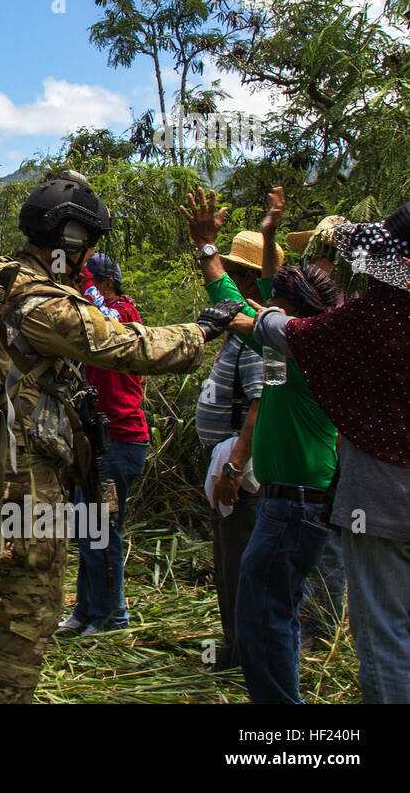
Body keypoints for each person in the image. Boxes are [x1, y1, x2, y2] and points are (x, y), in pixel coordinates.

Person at [0, 175, 237, 703]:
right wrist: (201, 330)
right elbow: (124, 345)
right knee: (30, 606)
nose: (89, 254)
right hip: (21, 476)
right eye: (87, 243)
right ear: (70, 240)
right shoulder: (43, 303)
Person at [232, 201, 410, 703]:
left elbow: (286, 333)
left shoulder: (377, 318)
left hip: (383, 497)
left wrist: (256, 317)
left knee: (383, 635)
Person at [182, 188, 339, 704]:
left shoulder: (299, 350)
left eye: (277, 305)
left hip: (291, 506)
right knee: (277, 614)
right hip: (300, 500)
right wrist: (269, 233)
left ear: (290, 313)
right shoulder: (315, 335)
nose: (266, 307)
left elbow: (228, 302)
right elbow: (265, 291)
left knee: (260, 622)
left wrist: (206, 247)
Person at [182, 218, 273, 671]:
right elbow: (220, 287)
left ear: (256, 281)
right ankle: (237, 645)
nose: (229, 286)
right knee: (228, 560)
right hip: (230, 461)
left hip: (242, 469)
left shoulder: (258, 337)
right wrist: (205, 246)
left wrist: (234, 471)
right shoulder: (245, 321)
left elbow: (259, 406)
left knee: (240, 563)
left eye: (239, 275)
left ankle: (246, 652)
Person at [58, 252, 150, 635]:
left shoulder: (123, 313)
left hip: (120, 440)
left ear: (105, 283)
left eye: (86, 279)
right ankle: (86, 610)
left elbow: (109, 328)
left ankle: (112, 615)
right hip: (97, 440)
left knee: (101, 530)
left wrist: (87, 285)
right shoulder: (92, 315)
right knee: (88, 529)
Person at [285, 212, 350, 647]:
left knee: (329, 545)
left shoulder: (344, 317)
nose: (317, 263)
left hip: (338, 449)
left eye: (324, 255)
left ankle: (321, 629)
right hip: (326, 447)